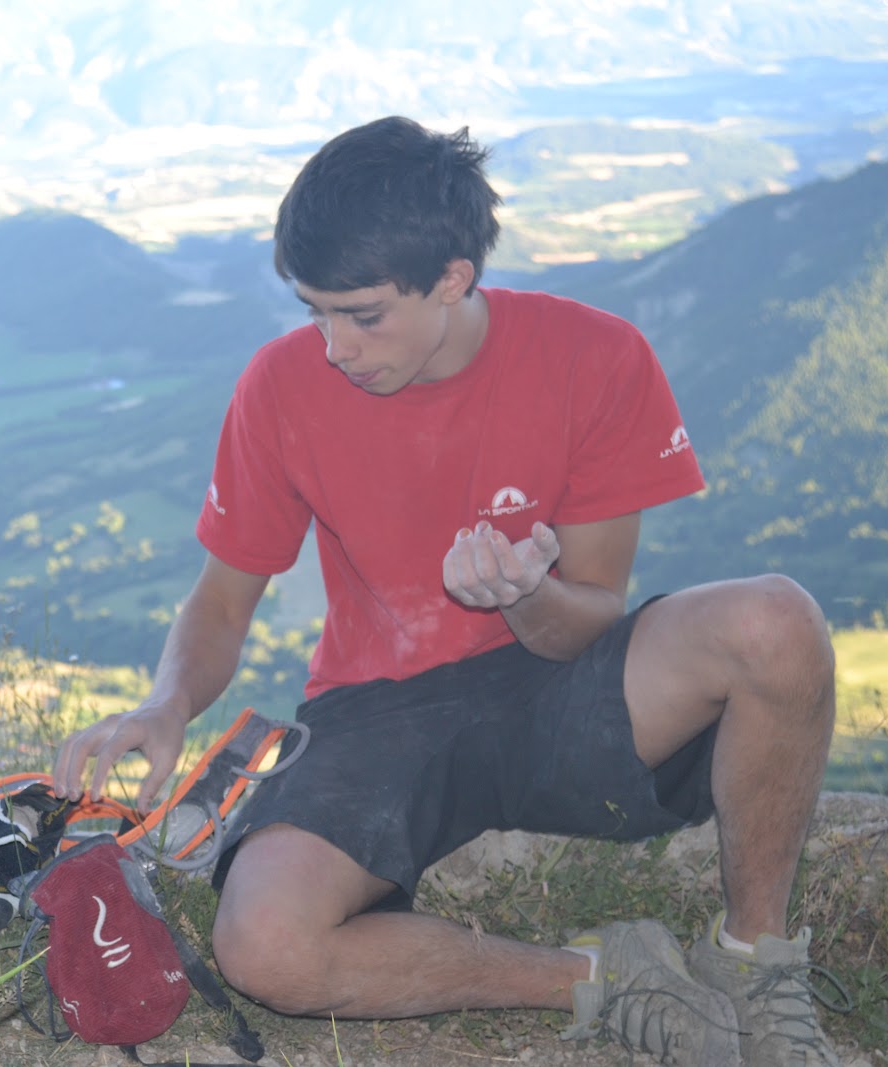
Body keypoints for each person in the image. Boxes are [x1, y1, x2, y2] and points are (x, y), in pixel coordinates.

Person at [51, 116, 842, 1067]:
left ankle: (757, 964)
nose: (336, 345)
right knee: (264, 946)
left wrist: (525, 594)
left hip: (563, 683)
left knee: (777, 619)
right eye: (316, 312)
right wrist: (168, 702)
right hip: (375, 711)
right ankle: (596, 975)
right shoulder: (281, 387)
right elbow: (223, 604)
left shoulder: (595, 357)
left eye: (365, 314)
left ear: (456, 277)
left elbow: (589, 612)